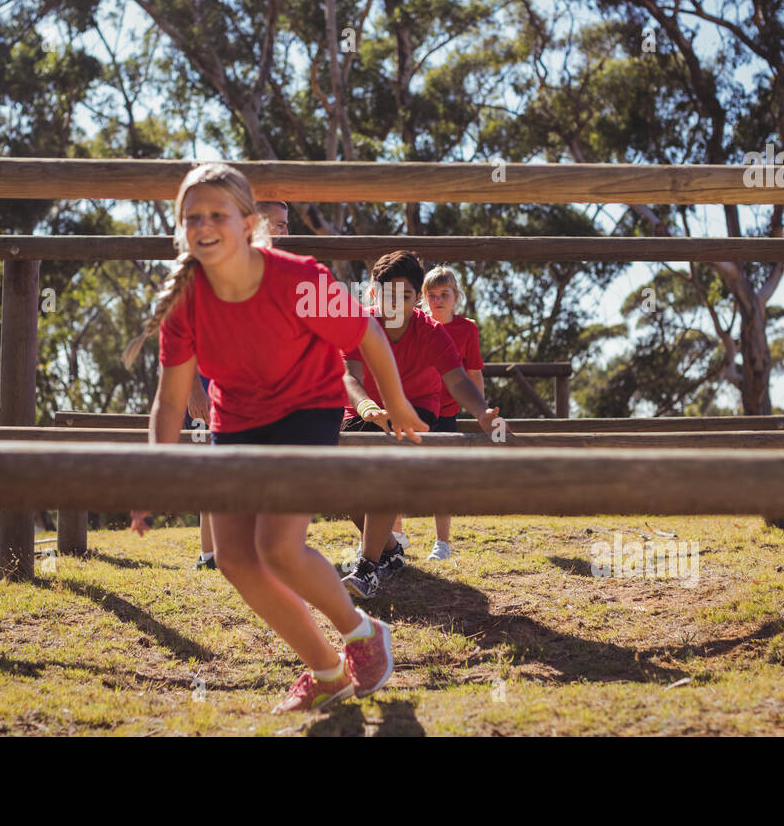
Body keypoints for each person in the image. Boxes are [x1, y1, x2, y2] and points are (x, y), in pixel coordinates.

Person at [126, 164, 429, 713]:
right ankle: (327, 670)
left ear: (248, 224)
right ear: (180, 229)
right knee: (235, 558)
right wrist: (152, 475)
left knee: (278, 546)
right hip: (236, 420)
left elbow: (368, 332)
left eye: (218, 213)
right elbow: (170, 401)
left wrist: (399, 402)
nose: (204, 224)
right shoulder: (186, 302)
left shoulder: (298, 279)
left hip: (307, 410)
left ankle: (362, 633)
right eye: (192, 216)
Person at [339, 250, 502, 599]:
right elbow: (349, 377)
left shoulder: (431, 332)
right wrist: (368, 408)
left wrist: (483, 413)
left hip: (415, 412)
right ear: (372, 294)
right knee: (344, 486)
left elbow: (458, 381)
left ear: (418, 299)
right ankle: (390, 551)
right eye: (388, 295)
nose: (396, 304)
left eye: (407, 296)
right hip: (364, 411)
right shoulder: (360, 325)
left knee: (386, 466)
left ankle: (367, 568)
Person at [190, 199, 289, 571]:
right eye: (277, 224)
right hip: (210, 383)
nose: (284, 232)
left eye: (286, 225)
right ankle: (209, 554)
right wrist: (193, 391)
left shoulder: (284, 271)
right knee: (212, 466)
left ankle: (251, 549)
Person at [417, 265, 485, 561]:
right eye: (432, 295)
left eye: (445, 294)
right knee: (397, 468)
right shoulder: (415, 323)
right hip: (415, 406)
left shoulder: (467, 329)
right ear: (423, 298)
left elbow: (474, 373)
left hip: (446, 410)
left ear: (456, 297)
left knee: (440, 475)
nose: (438, 300)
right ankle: (395, 536)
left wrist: (482, 411)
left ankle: (441, 544)